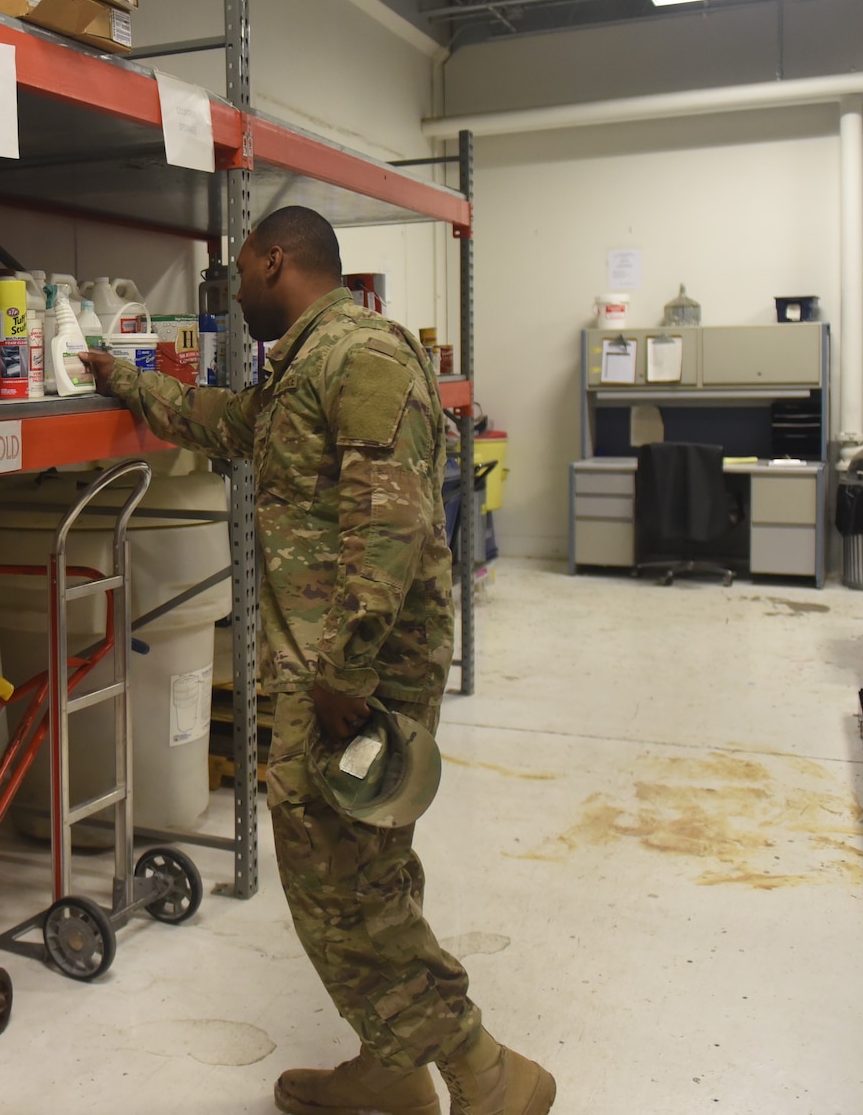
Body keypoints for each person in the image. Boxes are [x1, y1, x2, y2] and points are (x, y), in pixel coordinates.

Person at [80, 206, 555, 1115]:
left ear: (275, 259)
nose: (236, 297)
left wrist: (347, 671)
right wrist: (128, 382)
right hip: (331, 662)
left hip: (357, 668)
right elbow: (228, 422)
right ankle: (392, 1062)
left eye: (239, 279)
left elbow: (394, 518)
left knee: (344, 873)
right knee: (348, 863)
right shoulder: (305, 363)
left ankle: (488, 1068)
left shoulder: (362, 355)